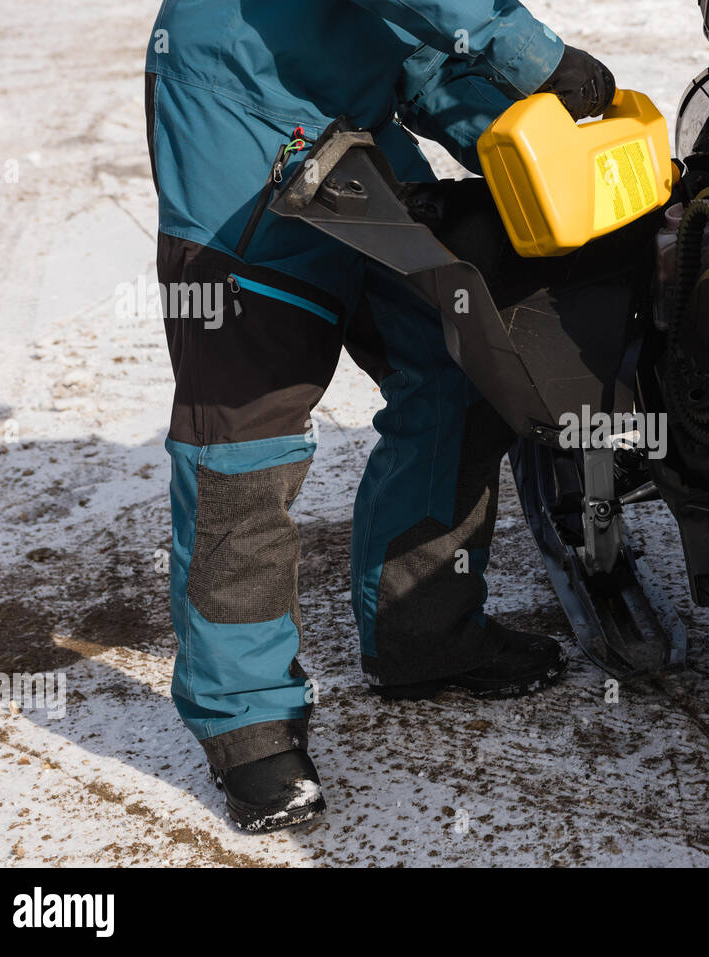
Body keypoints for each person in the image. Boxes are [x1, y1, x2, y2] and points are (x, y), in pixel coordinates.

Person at [144, 0, 617, 832]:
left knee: (456, 361)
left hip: (354, 120)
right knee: (248, 423)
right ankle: (247, 721)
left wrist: (536, 132)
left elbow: (423, 46)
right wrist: (535, 55)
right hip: (240, 115)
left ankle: (422, 633)